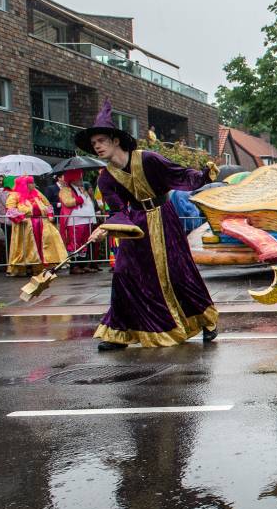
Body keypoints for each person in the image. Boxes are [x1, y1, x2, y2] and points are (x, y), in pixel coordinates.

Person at [80, 101, 220, 351]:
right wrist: (106, 228)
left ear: (115, 140)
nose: (97, 147)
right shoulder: (106, 178)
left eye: (101, 140)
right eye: (94, 144)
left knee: (177, 271)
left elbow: (179, 174)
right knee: (123, 273)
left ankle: (206, 320)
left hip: (164, 218)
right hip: (135, 225)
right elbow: (117, 210)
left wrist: (202, 175)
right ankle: (119, 332)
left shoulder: (148, 158)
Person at [5, 175, 69, 277]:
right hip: (26, 226)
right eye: (31, 183)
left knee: (44, 245)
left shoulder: (37, 193)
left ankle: (41, 267)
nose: (34, 185)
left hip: (41, 223)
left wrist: (50, 214)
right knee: (26, 247)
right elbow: (10, 210)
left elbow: (47, 205)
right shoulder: (14, 195)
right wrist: (21, 218)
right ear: (25, 184)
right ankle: (26, 267)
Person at [57, 169, 101, 274]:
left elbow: (88, 202)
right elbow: (67, 202)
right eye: (79, 178)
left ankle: (83, 264)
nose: (81, 180)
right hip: (74, 221)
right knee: (75, 243)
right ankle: (74, 266)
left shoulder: (81, 188)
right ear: (73, 179)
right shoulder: (65, 190)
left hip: (85, 219)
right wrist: (79, 199)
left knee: (84, 243)